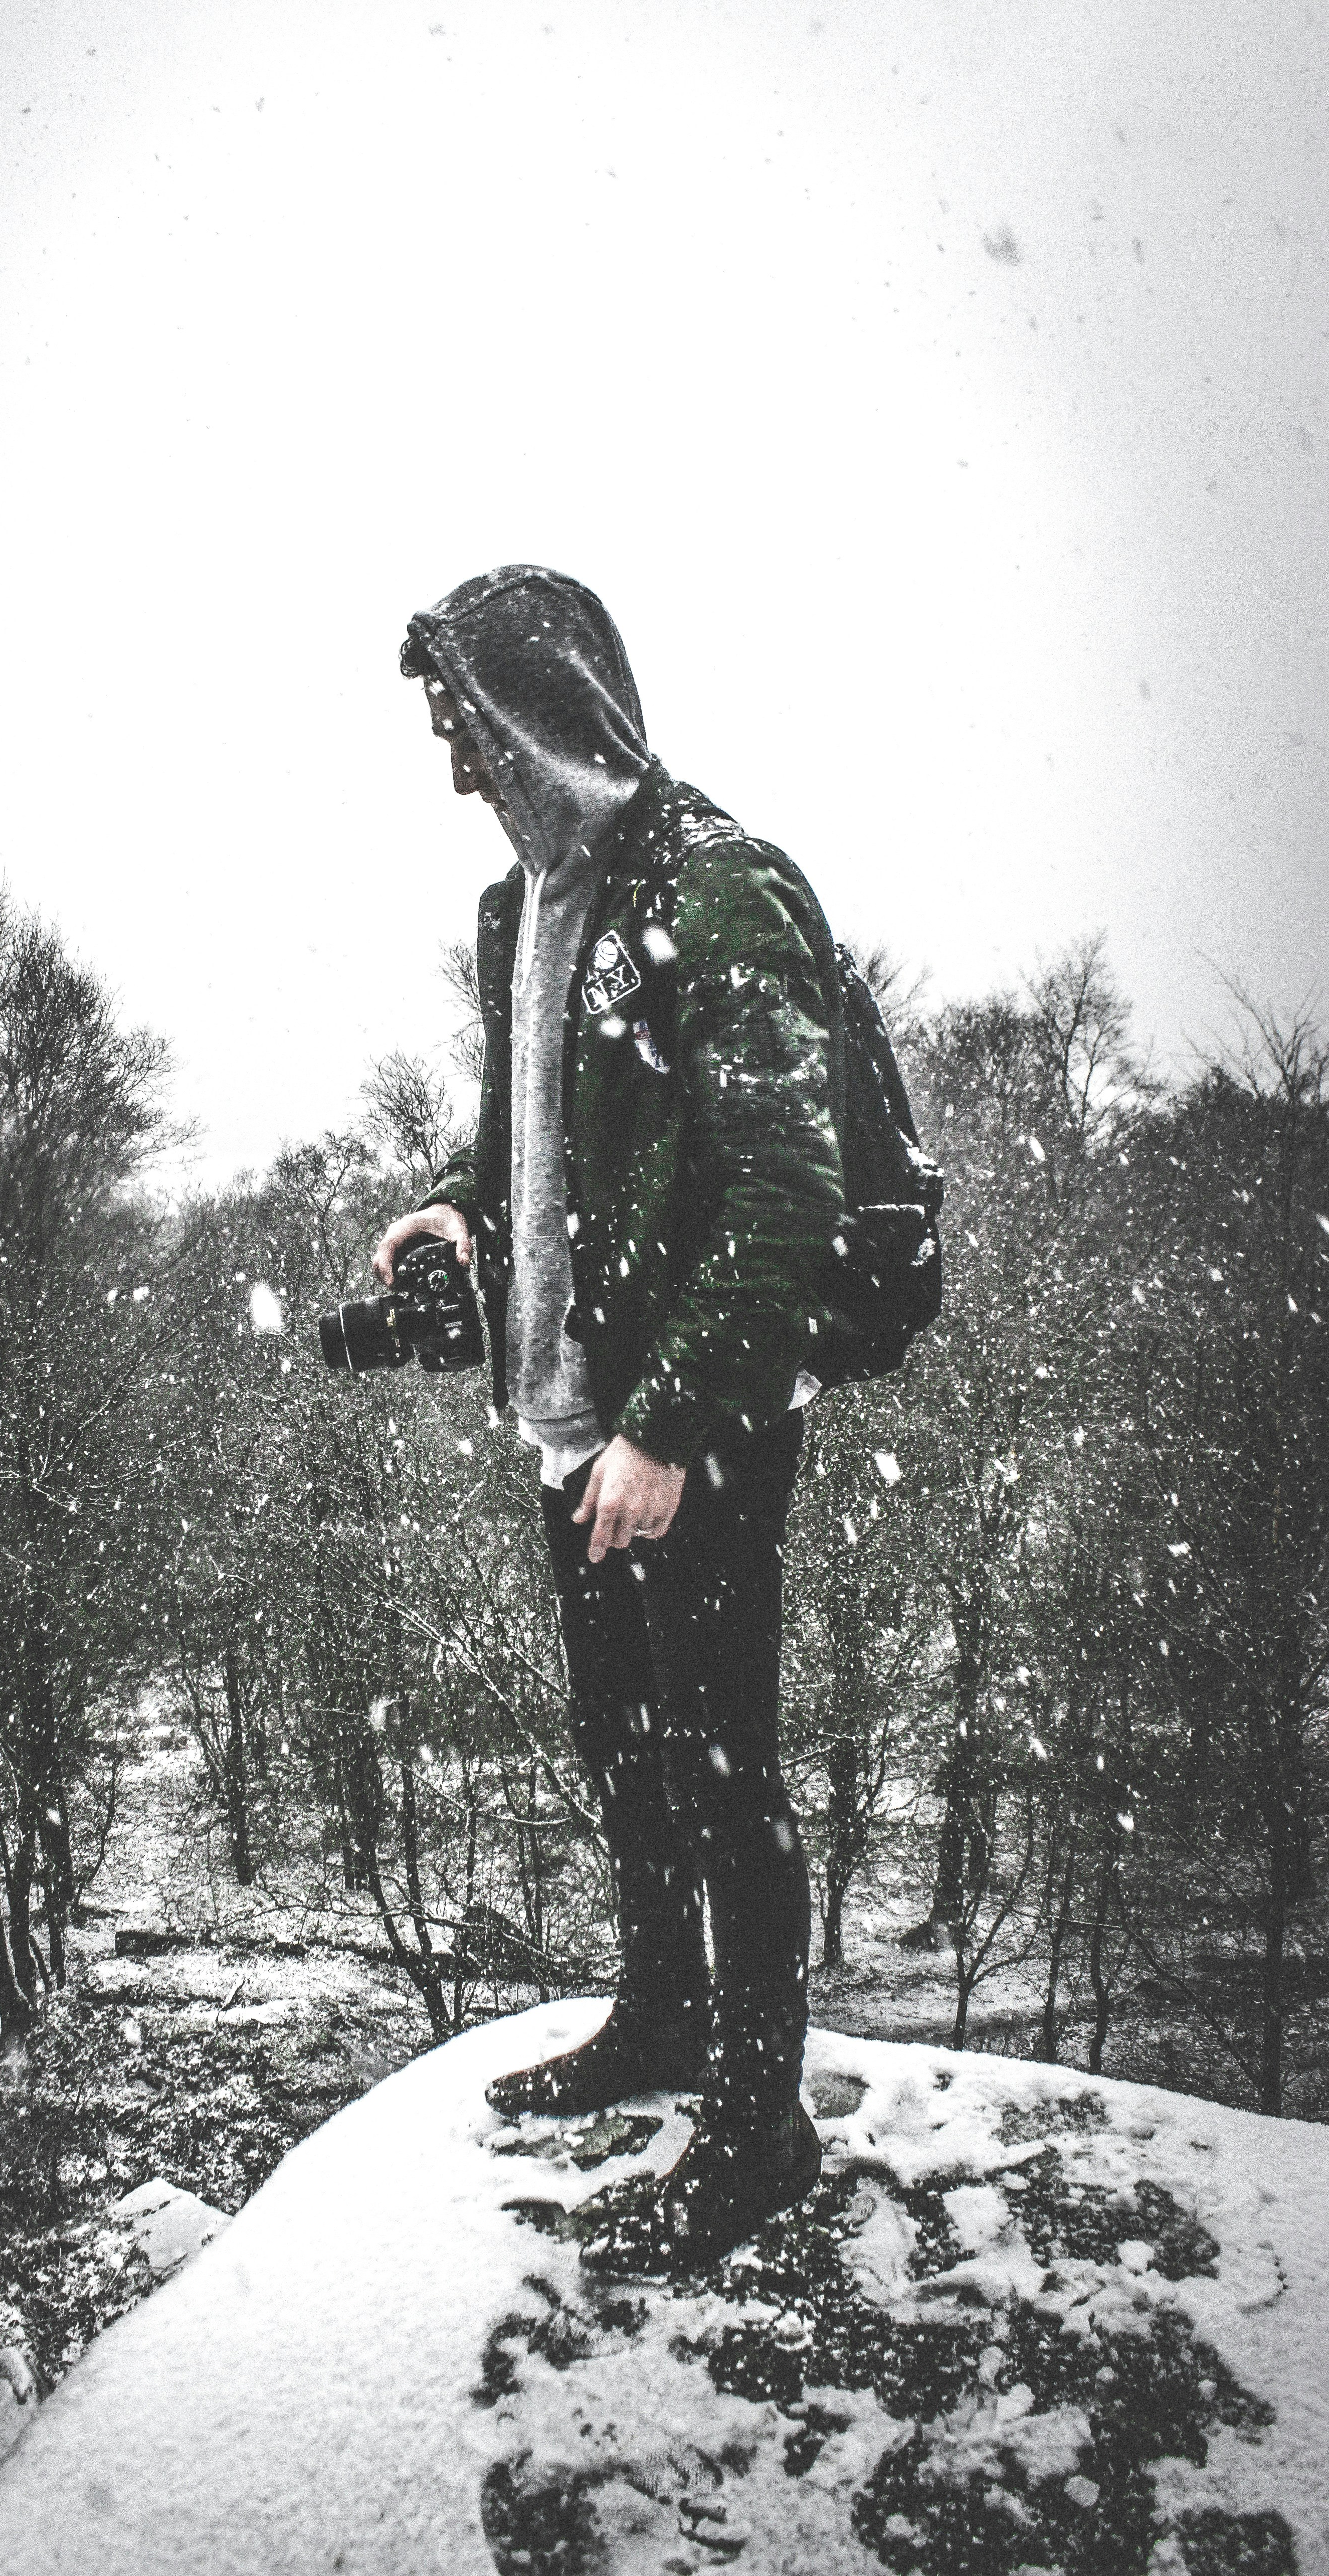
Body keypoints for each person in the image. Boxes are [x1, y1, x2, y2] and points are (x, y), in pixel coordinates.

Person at [374, 566, 849, 2276]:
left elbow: (789, 1194)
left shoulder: (717, 889)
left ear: (549, 718)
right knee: (623, 1749)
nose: (457, 770)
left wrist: (668, 1428)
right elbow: (538, 1133)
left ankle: (761, 2121)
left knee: (728, 1772)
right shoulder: (523, 910)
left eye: (471, 731)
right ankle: (661, 2019)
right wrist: (457, 1209)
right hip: (578, 1421)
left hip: (693, 1420)